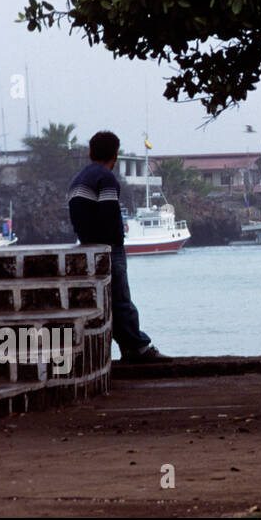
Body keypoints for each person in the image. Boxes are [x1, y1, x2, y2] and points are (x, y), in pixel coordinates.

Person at [67, 131, 170, 363]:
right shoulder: (106, 179)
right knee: (121, 298)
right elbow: (110, 214)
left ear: (91, 152)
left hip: (88, 246)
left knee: (108, 300)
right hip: (109, 247)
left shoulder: (78, 179)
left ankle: (130, 346)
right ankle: (138, 348)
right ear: (115, 155)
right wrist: (117, 242)